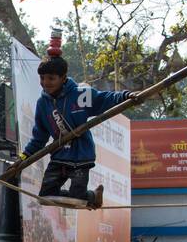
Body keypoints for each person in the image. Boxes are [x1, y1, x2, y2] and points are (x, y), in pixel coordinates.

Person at [21, 31, 131, 209]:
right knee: (45, 197)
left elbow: (104, 99)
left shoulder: (80, 95)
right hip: (59, 155)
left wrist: (126, 96)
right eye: (42, 78)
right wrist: (23, 158)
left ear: (63, 78)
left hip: (81, 155)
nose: (45, 83)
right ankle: (90, 198)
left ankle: (92, 197)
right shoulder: (43, 103)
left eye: (51, 78)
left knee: (78, 199)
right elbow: (39, 137)